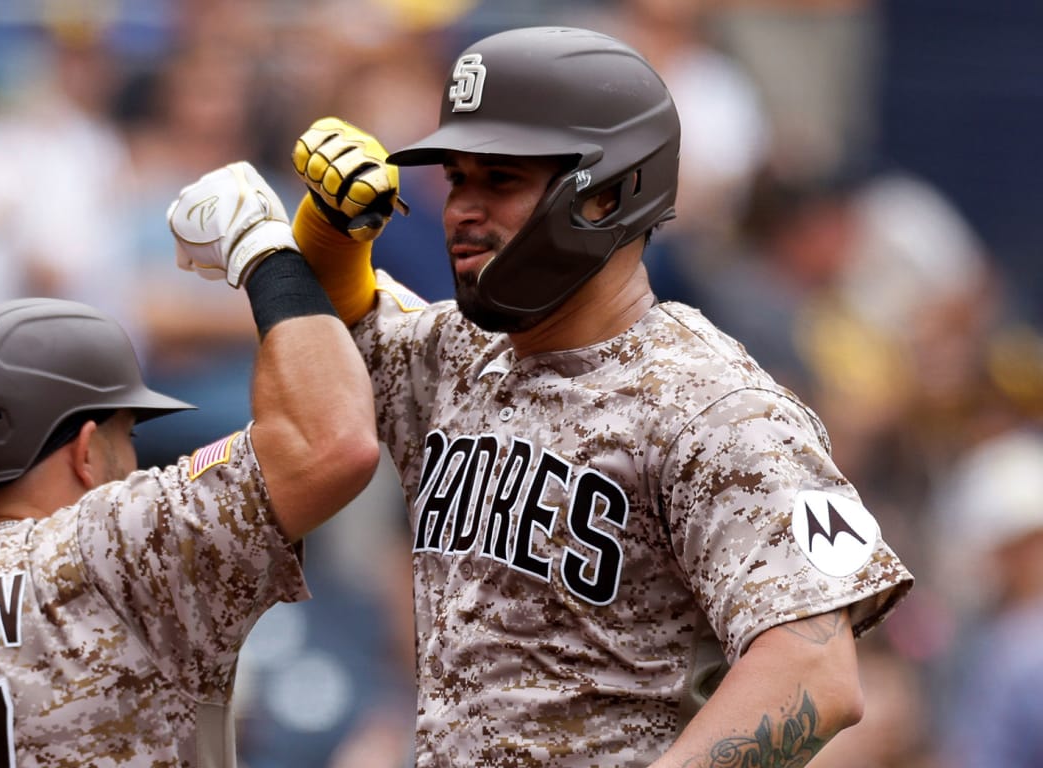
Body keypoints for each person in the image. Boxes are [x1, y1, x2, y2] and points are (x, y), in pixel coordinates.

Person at [283, 26, 914, 767]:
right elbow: (341, 334)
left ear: (607, 194)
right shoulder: (461, 350)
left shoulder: (715, 405)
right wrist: (325, 241)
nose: (461, 209)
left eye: (501, 180)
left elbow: (817, 671)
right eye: (457, 179)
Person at [0, 161, 380, 765]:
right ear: (85, 450)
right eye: (127, 434)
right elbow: (331, 441)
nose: (136, 460)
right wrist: (264, 250)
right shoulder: (105, 551)